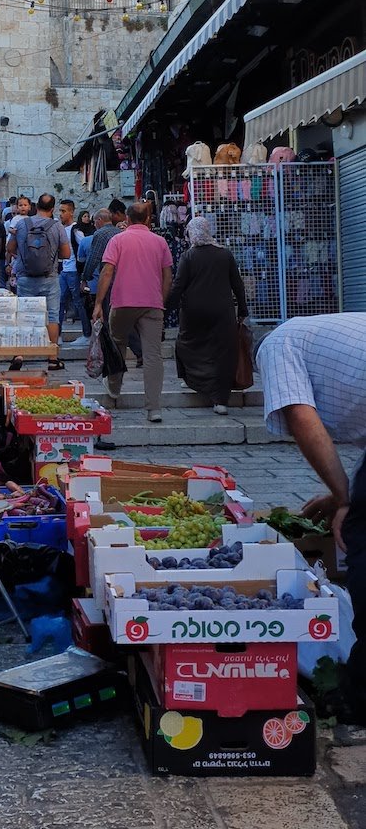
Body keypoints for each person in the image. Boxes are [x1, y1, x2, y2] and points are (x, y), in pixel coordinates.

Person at [256, 315, 366, 722]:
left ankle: (360, 695)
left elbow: (301, 416)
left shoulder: (276, 345)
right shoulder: (322, 335)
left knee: (360, 537)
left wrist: (346, 500)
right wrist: (344, 494)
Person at [92, 202, 173, 421]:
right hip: (152, 303)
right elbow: (167, 276)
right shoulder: (160, 242)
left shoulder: (117, 240)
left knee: (118, 345)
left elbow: (107, 271)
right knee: (153, 354)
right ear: (148, 219)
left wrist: (98, 303)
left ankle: (114, 387)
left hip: (122, 302)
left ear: (127, 219)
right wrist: (161, 300)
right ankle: (153, 408)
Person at [167, 217, 248, 415]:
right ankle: (220, 401)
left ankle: (192, 380)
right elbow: (237, 284)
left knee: (187, 345)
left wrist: (167, 309)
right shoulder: (225, 254)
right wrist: (242, 309)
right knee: (222, 353)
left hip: (193, 312)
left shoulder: (189, 256)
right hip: (222, 311)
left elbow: (178, 285)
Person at [7, 193, 70, 368]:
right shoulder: (57, 226)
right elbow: (66, 254)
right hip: (49, 278)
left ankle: (19, 355)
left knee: (23, 315)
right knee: (52, 316)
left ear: (36, 206)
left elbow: (10, 248)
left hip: (25, 277)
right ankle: (52, 359)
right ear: (53, 208)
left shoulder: (22, 224)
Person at [82, 207, 143, 367]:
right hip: (126, 279)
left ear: (99, 220)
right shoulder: (120, 233)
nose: (94, 225)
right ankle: (135, 351)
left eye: (94, 221)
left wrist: (85, 277)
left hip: (110, 281)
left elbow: (94, 258)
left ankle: (119, 354)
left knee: (113, 319)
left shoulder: (100, 234)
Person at [58, 199, 91, 341]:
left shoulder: (75, 230)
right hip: (64, 271)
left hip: (73, 271)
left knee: (78, 302)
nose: (61, 214)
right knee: (60, 302)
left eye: (63, 211)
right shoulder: (61, 228)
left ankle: (87, 334)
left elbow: (84, 246)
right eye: (60, 211)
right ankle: (57, 334)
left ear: (71, 212)